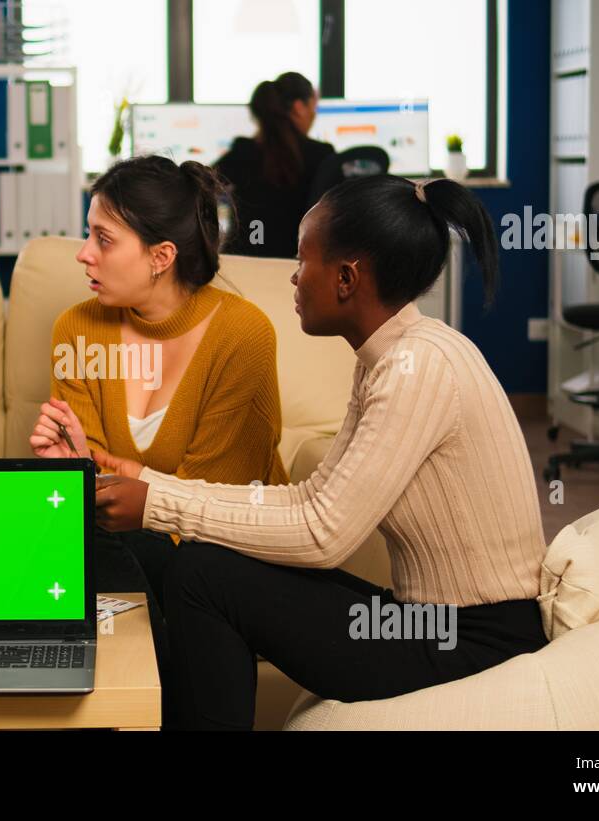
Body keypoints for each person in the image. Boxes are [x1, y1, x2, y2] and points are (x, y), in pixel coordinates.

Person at [95, 175, 550, 730]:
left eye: (301, 258)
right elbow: (311, 499)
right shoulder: (390, 357)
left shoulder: (417, 368)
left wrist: (157, 505)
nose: (293, 275)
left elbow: (323, 535)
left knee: (203, 577)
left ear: (345, 278)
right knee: (194, 558)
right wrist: (153, 487)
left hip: (471, 642)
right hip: (427, 622)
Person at [28, 154, 289, 725]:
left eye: (103, 239)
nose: (83, 253)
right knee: (80, 536)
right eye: (87, 234)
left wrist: (105, 476)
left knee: (178, 561)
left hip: (221, 547)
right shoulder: (78, 328)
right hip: (121, 546)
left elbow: (216, 502)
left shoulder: (242, 333)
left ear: (161, 257)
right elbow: (85, 490)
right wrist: (71, 469)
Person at [214, 71, 341, 259]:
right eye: (314, 108)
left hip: (246, 261)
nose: (314, 115)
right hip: (300, 262)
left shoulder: (242, 152)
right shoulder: (321, 155)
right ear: (299, 107)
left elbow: (203, 185)